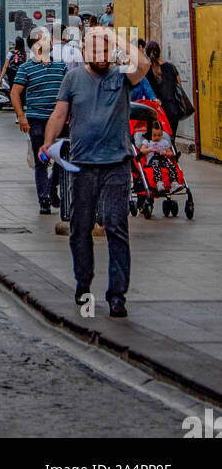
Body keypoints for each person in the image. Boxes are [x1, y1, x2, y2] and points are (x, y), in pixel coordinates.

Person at [42, 25, 150, 318]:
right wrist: (47, 142)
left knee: (116, 226)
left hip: (116, 164)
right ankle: (83, 283)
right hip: (82, 165)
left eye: (105, 50)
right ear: (83, 53)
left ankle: (117, 295)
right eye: (95, 49)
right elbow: (60, 113)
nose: (101, 55)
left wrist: (111, 36)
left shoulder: (121, 76)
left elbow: (143, 64)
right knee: (80, 228)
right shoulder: (73, 78)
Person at [10, 28, 66, 215]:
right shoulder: (26, 68)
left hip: (59, 121)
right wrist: (21, 116)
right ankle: (44, 199)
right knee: (41, 161)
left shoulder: (60, 66)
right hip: (37, 120)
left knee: (62, 157)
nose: (49, 43)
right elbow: (15, 92)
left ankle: (52, 185)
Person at [144, 40, 189, 141]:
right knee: (170, 140)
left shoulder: (146, 71)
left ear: (147, 54)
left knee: (158, 141)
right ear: (159, 52)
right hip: (172, 110)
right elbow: (179, 87)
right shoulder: (171, 67)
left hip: (157, 112)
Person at [135, 118, 177, 192]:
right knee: (156, 166)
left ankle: (174, 182)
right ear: (149, 133)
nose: (157, 137)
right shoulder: (147, 142)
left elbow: (170, 153)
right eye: (154, 135)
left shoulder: (164, 142)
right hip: (153, 161)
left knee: (171, 166)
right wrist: (151, 149)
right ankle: (159, 183)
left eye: (159, 135)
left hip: (163, 159)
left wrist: (166, 153)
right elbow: (142, 150)